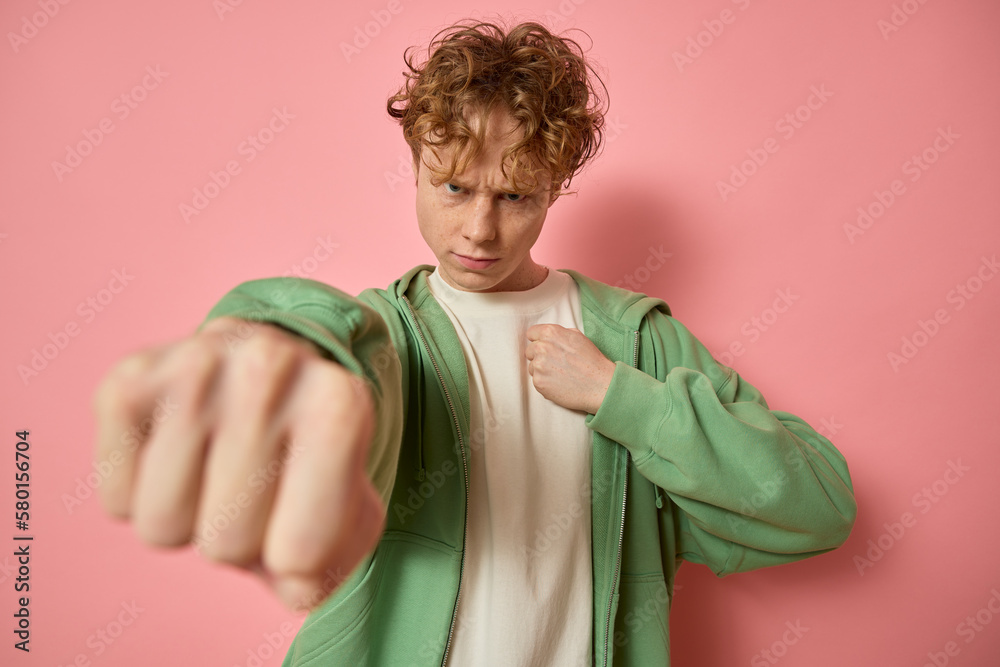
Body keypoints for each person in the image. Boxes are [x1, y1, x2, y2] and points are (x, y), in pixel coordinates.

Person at [92, 19, 857, 667]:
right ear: (416, 168)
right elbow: (333, 345)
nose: (481, 230)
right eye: (454, 187)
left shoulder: (632, 341)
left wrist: (622, 398)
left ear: (556, 185)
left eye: (516, 196)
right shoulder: (393, 333)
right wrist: (274, 348)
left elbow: (817, 506)